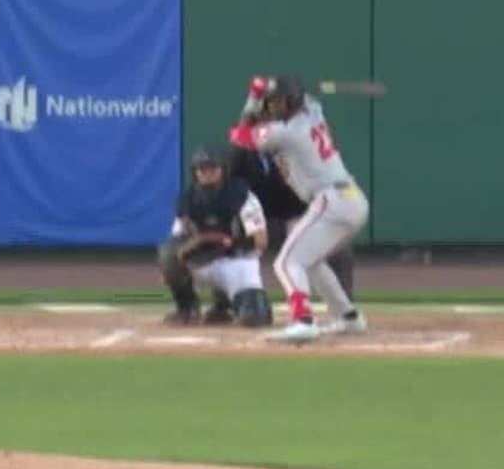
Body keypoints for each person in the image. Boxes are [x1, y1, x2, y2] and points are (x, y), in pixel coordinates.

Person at [244, 75, 371, 344]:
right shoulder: (313, 110)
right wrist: (266, 93)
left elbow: (242, 135)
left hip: (332, 200)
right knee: (310, 262)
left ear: (292, 102)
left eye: (279, 102)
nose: (274, 107)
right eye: (272, 102)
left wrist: (253, 97)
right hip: (351, 199)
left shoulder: (286, 133)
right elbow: (297, 105)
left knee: (287, 262)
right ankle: (348, 317)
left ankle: (302, 320)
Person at [157, 146, 275, 328]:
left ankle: (224, 306)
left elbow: (261, 240)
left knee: (255, 317)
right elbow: (178, 240)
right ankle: (187, 308)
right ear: (194, 172)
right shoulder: (188, 199)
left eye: (212, 168)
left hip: (238, 262)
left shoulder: (242, 195)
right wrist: (174, 266)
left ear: (223, 169)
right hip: (203, 262)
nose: (206, 173)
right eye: (201, 169)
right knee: (168, 253)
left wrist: (228, 242)